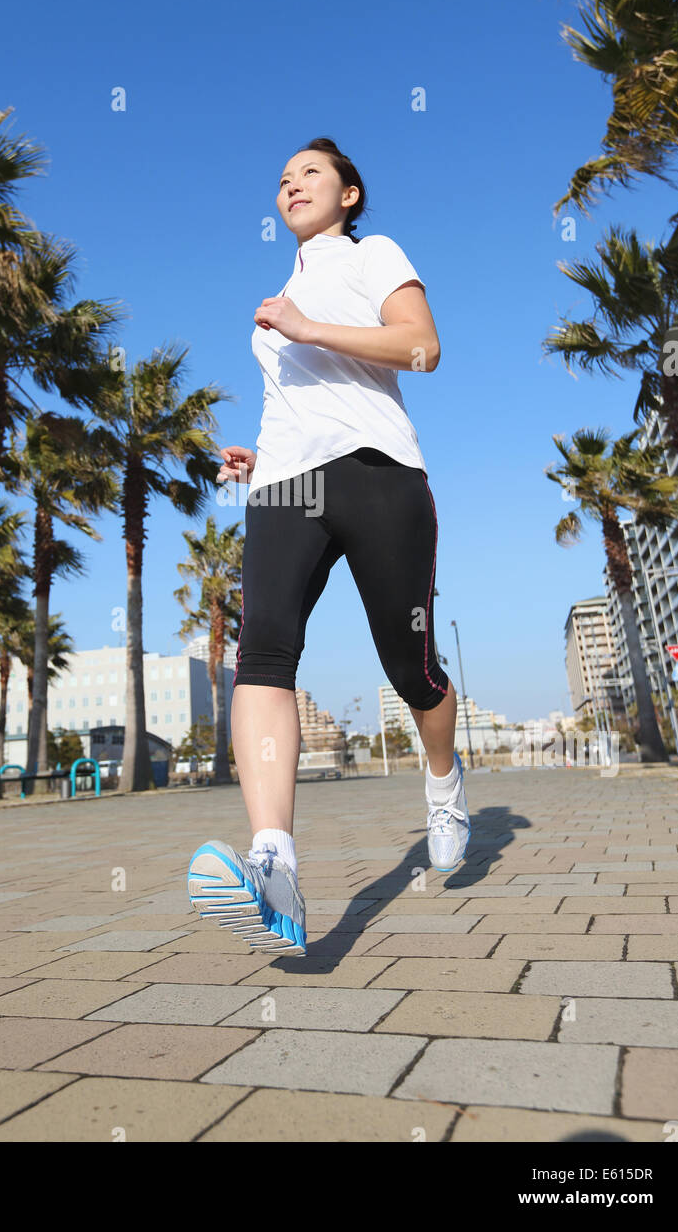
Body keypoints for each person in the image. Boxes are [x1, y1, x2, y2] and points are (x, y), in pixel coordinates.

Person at [187, 137, 471, 956]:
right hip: (286, 484)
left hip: (380, 474)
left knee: (409, 669)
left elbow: (424, 347)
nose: (291, 184)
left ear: (349, 194)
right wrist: (258, 456)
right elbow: (299, 400)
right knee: (263, 651)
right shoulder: (277, 299)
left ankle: (444, 784)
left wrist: (311, 326)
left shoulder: (373, 253)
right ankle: (272, 864)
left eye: (309, 172)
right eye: (281, 178)